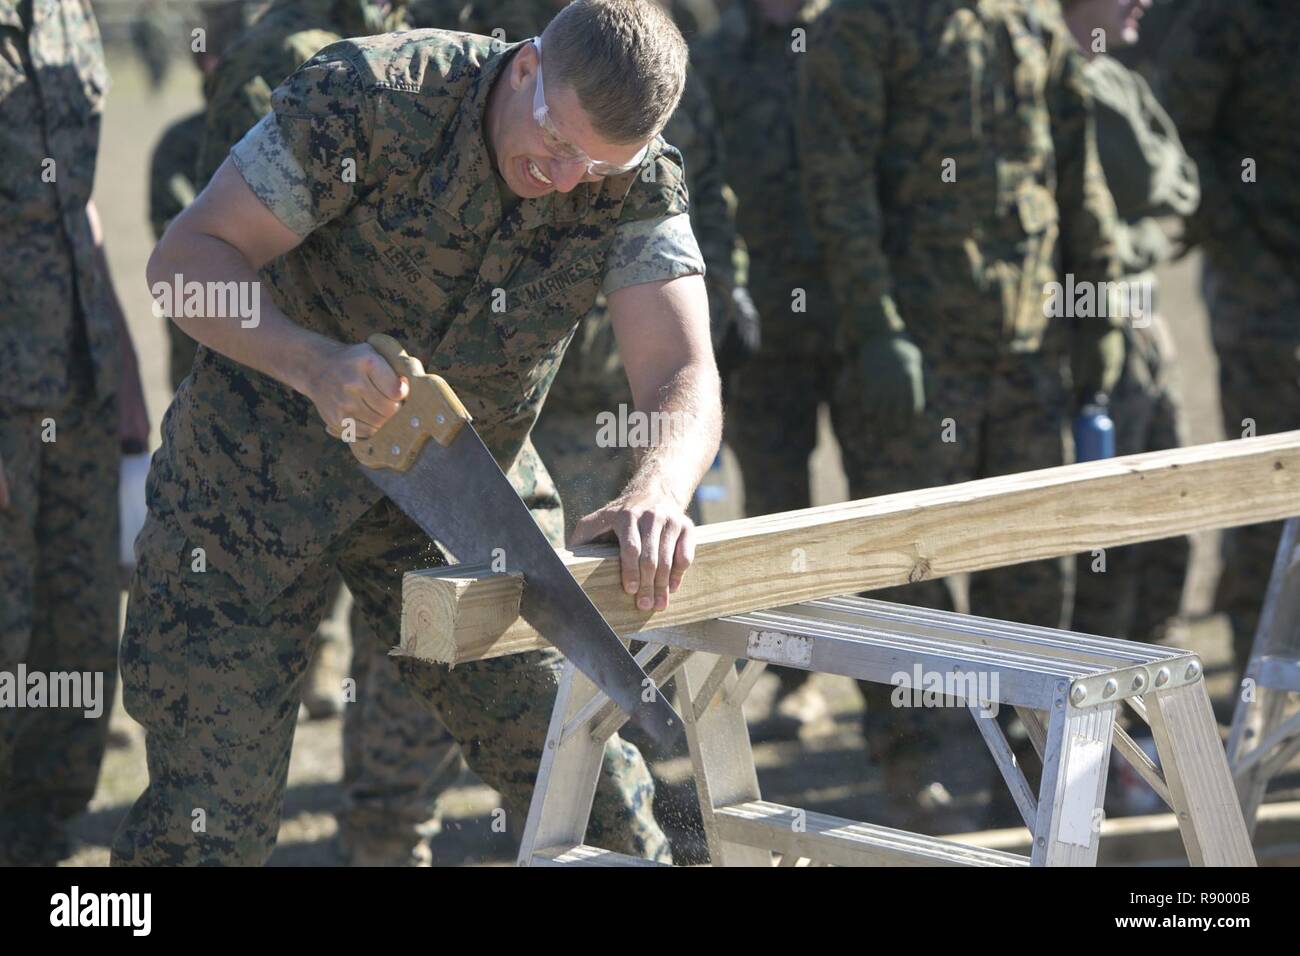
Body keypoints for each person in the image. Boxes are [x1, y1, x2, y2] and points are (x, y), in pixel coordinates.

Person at [111, 0, 721, 866]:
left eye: (592, 166)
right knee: (209, 821)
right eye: (553, 144)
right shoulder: (370, 97)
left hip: (458, 498)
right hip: (248, 488)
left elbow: (681, 370)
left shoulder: (635, 176)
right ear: (524, 67)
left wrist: (658, 488)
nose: (561, 176)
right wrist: (312, 363)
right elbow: (188, 260)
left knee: (586, 775)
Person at [798, 0, 1121, 829]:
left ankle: (1028, 771)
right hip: (915, 357)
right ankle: (916, 768)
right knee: (909, 570)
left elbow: (1076, 178)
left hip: (1024, 353)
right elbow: (838, 185)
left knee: (1032, 572)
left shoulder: (1029, 25)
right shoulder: (861, 27)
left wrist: (1100, 321)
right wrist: (876, 327)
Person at [193, 0, 469, 868]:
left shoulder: (439, 46)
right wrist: (318, 370)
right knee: (235, 712)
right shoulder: (284, 55)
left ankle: (388, 841)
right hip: (289, 429)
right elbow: (228, 259)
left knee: (409, 662)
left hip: (401, 418)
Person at [0, 0, 150, 864]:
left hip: (78, 376)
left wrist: (121, 359)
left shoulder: (68, 12)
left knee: (80, 631)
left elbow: (78, 208)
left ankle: (41, 834)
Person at [692, 0, 840, 741]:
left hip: (862, 316)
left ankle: (914, 697)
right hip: (763, 327)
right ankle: (796, 677)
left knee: (895, 498)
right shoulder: (712, 60)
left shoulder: (854, 35)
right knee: (779, 507)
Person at [1159, 0, 1300, 671]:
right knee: (1270, 471)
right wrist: (1247, 254)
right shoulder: (1233, 15)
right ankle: (1260, 666)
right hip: (1262, 282)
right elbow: (1179, 132)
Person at [1062, 0, 1197, 645]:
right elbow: (1151, 181)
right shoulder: (1070, 80)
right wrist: (1138, 230)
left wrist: (1136, 230)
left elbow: (1183, 183)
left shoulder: (1118, 76)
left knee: (1166, 516)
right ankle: (1094, 711)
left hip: (1143, 321)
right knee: (1105, 532)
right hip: (1089, 330)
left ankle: (1141, 681)